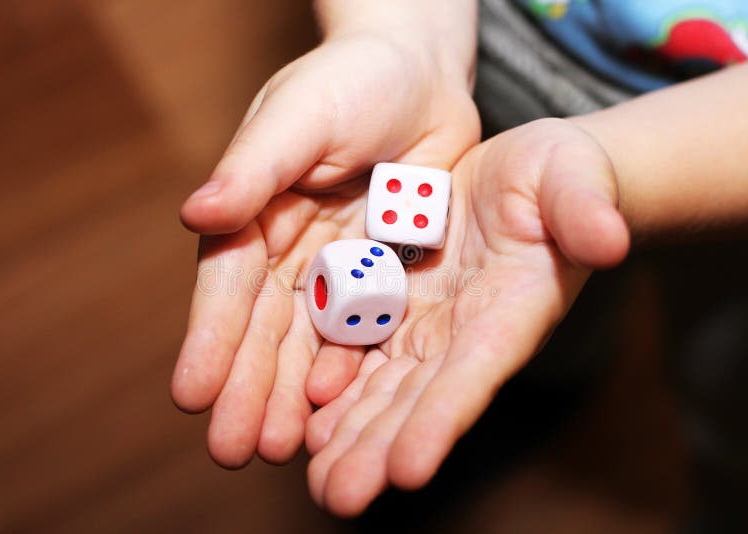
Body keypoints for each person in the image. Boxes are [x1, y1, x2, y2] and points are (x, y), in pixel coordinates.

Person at [170, 0, 748, 520]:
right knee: (525, 294)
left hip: (723, 167)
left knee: (724, 396)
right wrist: (401, 38)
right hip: (485, 57)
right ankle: (553, 382)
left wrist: (620, 164)